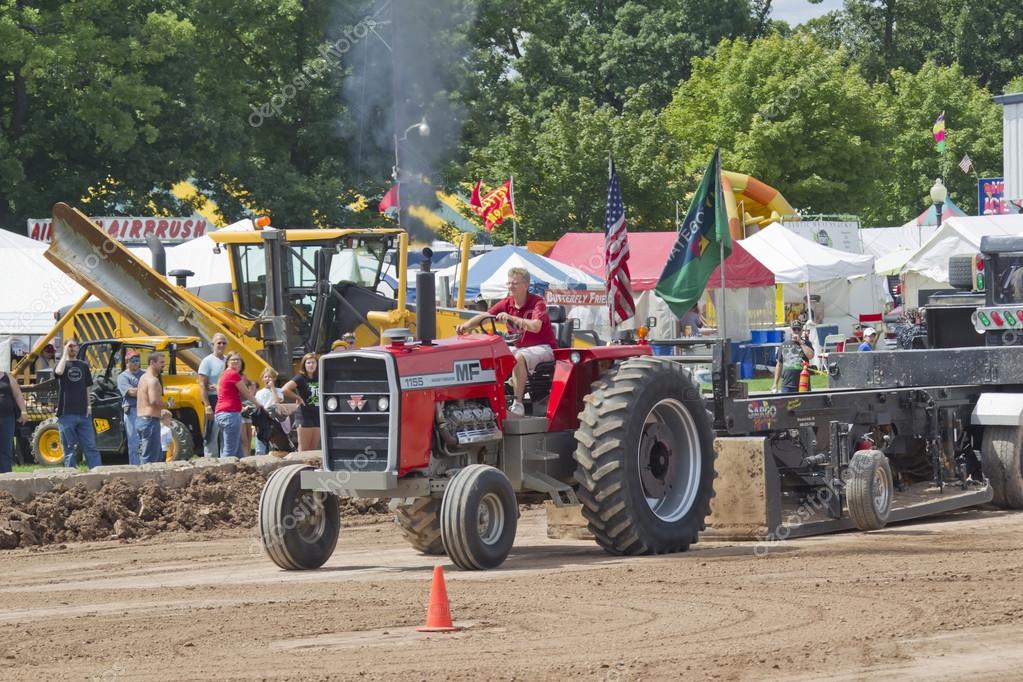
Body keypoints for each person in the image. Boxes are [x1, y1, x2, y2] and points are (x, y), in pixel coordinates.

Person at [456, 267, 557, 417]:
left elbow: (536, 327)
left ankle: (518, 403)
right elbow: (485, 316)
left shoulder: (538, 303)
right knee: (492, 355)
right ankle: (488, 399)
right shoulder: (506, 303)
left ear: (526, 285)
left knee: (519, 357)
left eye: (514, 283)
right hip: (519, 347)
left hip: (543, 347)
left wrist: (511, 318)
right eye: (509, 283)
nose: (510, 286)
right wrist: (466, 326)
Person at [54, 338, 101, 469]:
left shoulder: (83, 365)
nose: (72, 348)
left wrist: (89, 406)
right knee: (69, 448)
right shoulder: (61, 365)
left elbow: (87, 388)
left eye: (75, 346)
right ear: (65, 348)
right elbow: (58, 372)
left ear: (78, 348)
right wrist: (64, 354)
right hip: (66, 413)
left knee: (91, 446)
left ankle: (98, 473)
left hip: (83, 414)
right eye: (70, 346)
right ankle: (70, 475)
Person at [215, 352, 255, 458]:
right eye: (233, 359)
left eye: (238, 359)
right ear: (227, 362)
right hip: (230, 414)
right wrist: (258, 404)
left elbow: (220, 394)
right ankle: (223, 468)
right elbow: (246, 393)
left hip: (221, 414)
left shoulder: (222, 375)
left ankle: (241, 467)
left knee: (237, 449)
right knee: (230, 451)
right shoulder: (233, 374)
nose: (236, 361)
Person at [137, 352, 172, 464]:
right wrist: (168, 404)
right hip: (150, 421)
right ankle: (146, 476)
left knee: (146, 455)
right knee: (151, 460)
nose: (163, 365)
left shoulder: (143, 378)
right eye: (161, 362)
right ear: (152, 363)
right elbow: (154, 401)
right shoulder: (153, 380)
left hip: (142, 420)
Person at [283, 353, 321, 451]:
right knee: (304, 449)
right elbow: (285, 389)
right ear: (304, 365)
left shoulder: (320, 376)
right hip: (304, 415)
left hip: (317, 415)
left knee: (313, 448)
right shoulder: (300, 378)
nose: (311, 365)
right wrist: (298, 397)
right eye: (308, 363)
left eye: (313, 362)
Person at [198, 333, 228, 458]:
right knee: (211, 434)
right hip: (213, 400)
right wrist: (207, 406)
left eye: (224, 343)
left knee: (225, 435)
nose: (221, 345)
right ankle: (210, 461)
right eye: (218, 343)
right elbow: (202, 385)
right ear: (212, 345)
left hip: (226, 400)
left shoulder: (228, 361)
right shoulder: (207, 361)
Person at [116, 350, 145, 465]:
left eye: (137, 360)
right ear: (127, 362)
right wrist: (147, 389)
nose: (136, 362)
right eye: (133, 360)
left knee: (146, 442)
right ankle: (135, 468)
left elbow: (155, 388)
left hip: (146, 410)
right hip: (132, 411)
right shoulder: (123, 377)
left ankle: (148, 467)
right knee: (134, 443)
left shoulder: (145, 374)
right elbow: (131, 392)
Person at [772, 321, 814, 394]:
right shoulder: (784, 344)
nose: (796, 331)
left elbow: (811, 356)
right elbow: (779, 365)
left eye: (799, 329)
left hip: (803, 383)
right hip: (787, 385)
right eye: (794, 329)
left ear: (802, 331)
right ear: (791, 330)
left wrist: (800, 342)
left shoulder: (806, 343)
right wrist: (775, 383)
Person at [0, 368, 29, 474]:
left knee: (6, 450)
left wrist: (23, 411)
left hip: (7, 418)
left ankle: (6, 477)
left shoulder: (7, 377)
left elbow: (17, 394)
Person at [254, 367, 285, 455]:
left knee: (275, 445)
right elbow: (257, 407)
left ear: (274, 379)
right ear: (262, 379)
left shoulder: (279, 391)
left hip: (274, 421)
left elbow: (277, 401)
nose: (268, 379)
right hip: (262, 421)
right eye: (266, 377)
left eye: (270, 377)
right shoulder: (259, 393)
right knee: (260, 446)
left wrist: (272, 388)